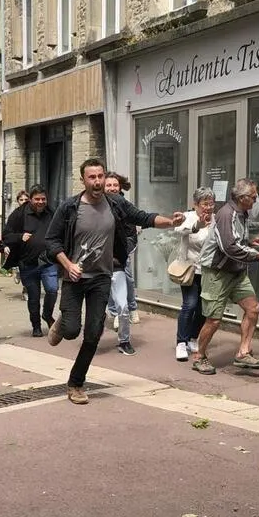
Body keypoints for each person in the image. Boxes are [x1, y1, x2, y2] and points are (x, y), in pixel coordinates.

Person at [46, 158, 184, 403]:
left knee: (93, 333)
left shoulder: (116, 204)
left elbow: (143, 218)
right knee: (71, 330)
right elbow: (52, 242)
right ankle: (62, 322)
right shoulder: (69, 208)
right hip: (74, 278)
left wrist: (171, 223)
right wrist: (67, 265)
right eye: (92, 177)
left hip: (101, 277)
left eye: (100, 176)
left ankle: (76, 383)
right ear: (83, 180)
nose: (97, 181)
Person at [189, 179, 259, 375]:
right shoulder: (227, 214)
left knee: (253, 308)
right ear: (242, 198)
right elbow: (229, 246)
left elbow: (236, 239)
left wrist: (252, 242)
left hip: (236, 271)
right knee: (214, 319)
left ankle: (243, 353)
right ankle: (199, 357)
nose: (255, 200)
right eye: (253, 197)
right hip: (217, 272)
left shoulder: (241, 213)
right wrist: (256, 255)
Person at [3, 185, 58, 337]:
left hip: (48, 260)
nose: (40, 202)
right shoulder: (19, 214)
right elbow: (6, 236)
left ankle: (47, 314)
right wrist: (20, 237)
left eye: (43, 199)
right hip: (27, 263)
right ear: (31, 199)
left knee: (52, 290)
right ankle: (36, 326)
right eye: (37, 199)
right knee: (33, 297)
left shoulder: (51, 213)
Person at [173, 187, 215, 361]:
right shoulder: (188, 217)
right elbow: (180, 230)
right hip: (189, 270)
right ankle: (181, 342)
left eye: (211, 204)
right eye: (205, 204)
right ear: (195, 205)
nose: (208, 208)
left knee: (202, 308)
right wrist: (198, 224)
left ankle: (192, 337)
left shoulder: (216, 219)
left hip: (208, 270)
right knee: (189, 304)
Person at [103, 174, 137, 355]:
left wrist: (123, 254)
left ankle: (124, 341)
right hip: (96, 267)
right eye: (108, 185)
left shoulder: (126, 209)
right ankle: (91, 339)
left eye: (115, 185)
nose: (112, 188)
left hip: (117, 264)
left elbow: (133, 234)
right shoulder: (92, 207)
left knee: (123, 305)